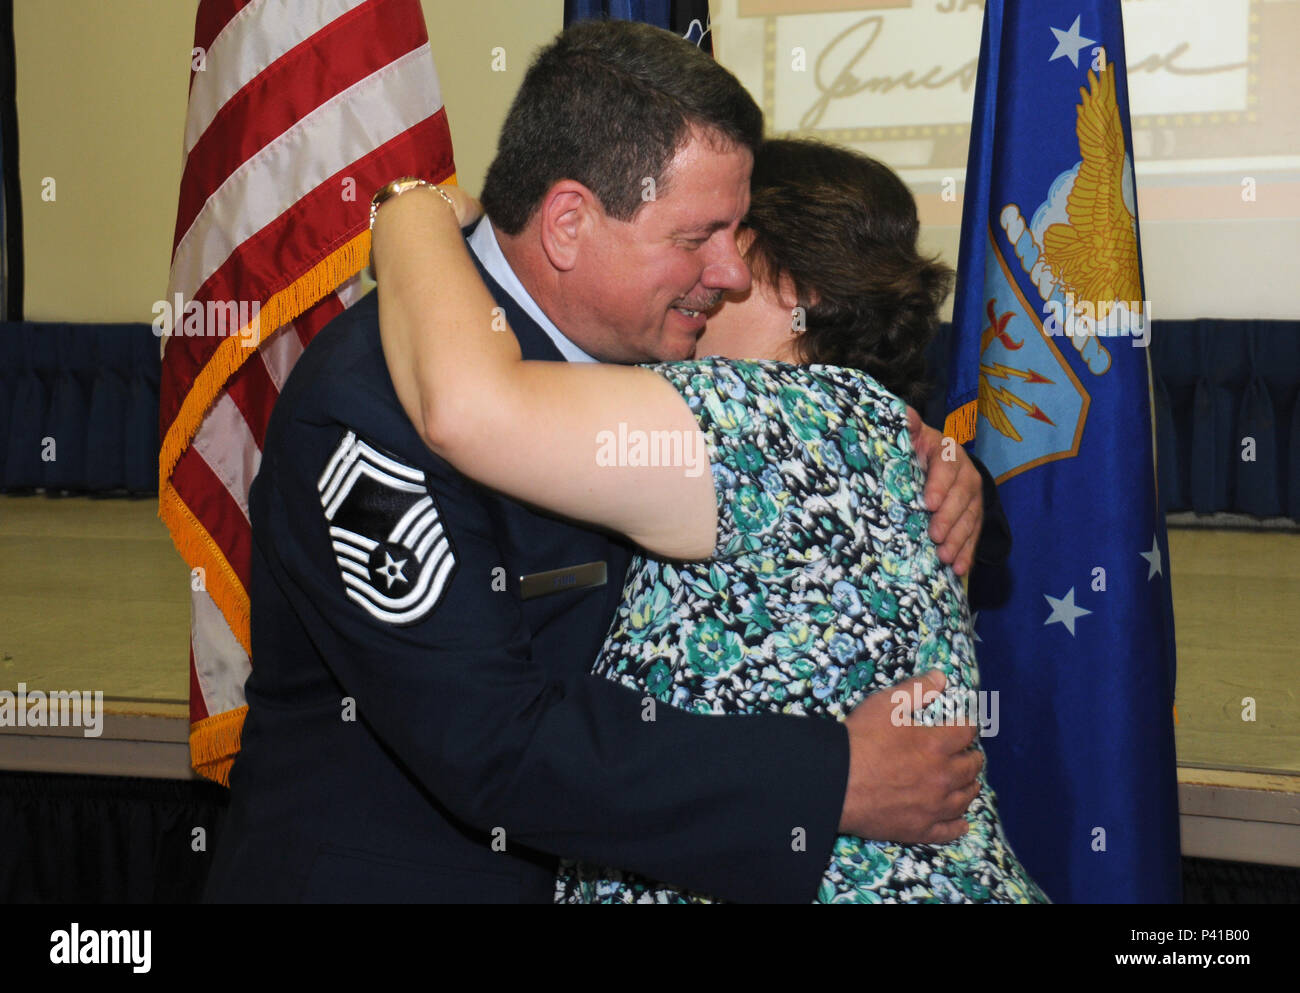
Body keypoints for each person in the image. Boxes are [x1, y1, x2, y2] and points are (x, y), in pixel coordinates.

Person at [204, 19, 998, 904]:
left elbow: (822, 481)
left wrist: (959, 481)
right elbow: (491, 739)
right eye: (699, 236)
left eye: (740, 232)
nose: (731, 272)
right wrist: (829, 775)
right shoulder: (372, 404)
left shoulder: (661, 357)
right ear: (571, 224)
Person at [371, 136, 1046, 904]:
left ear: (803, 288)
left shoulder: (766, 421)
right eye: (696, 242)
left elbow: (470, 408)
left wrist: (407, 211)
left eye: (728, 244)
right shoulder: (874, 430)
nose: (706, 273)